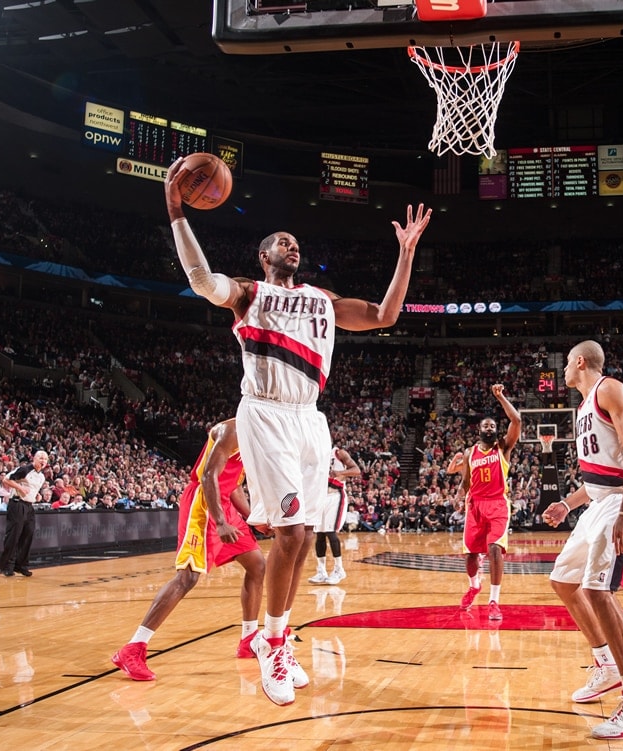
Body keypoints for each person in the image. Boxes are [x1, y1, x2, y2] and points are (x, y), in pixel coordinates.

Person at [165, 159, 431, 706]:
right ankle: (275, 642)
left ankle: (276, 637)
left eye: (295, 242)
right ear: (264, 258)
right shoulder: (247, 294)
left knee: (305, 536)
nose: (292, 245)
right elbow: (199, 280)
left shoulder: (321, 301)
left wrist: (405, 255)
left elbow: (383, 314)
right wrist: (175, 211)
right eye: (281, 242)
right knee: (289, 535)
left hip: (310, 417)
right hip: (263, 412)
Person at [541, 340, 623, 741]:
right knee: (563, 580)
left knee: (598, 591)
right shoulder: (582, 407)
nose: (561, 372)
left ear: (580, 362)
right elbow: (599, 474)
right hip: (599, 502)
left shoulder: (609, 389)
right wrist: (567, 503)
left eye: (565, 365)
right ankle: (605, 664)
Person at [111, 419, 268, 683]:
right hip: (204, 503)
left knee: (257, 565)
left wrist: (253, 519)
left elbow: (234, 486)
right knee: (188, 578)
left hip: (224, 503)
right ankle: (133, 648)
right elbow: (208, 477)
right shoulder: (231, 430)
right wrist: (220, 522)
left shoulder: (256, 436)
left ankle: (248, 639)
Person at [446, 383, 522, 621]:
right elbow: (466, 481)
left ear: (496, 430)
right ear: (479, 430)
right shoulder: (470, 453)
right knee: (470, 555)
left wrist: (501, 397)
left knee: (494, 550)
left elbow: (517, 421)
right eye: (485, 425)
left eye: (493, 425)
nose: (489, 427)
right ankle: (474, 585)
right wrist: (459, 497)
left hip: (498, 503)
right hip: (475, 505)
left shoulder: (503, 448)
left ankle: (494, 601)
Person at [310, 445, 361, 585]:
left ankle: (339, 569)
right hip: (320, 497)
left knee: (331, 533)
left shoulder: (339, 453)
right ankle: (321, 571)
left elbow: (357, 470)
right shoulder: (315, 454)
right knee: (319, 534)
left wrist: (341, 473)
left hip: (335, 495)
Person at [0, 450, 49, 577]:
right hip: (17, 504)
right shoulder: (25, 469)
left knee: (28, 535)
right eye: (40, 458)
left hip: (29, 506)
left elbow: (31, 489)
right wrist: (20, 488)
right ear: (34, 459)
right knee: (14, 535)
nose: (43, 461)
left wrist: (36, 495)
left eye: (45, 459)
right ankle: (6, 566)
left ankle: (21, 565)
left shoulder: (41, 476)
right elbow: (6, 480)